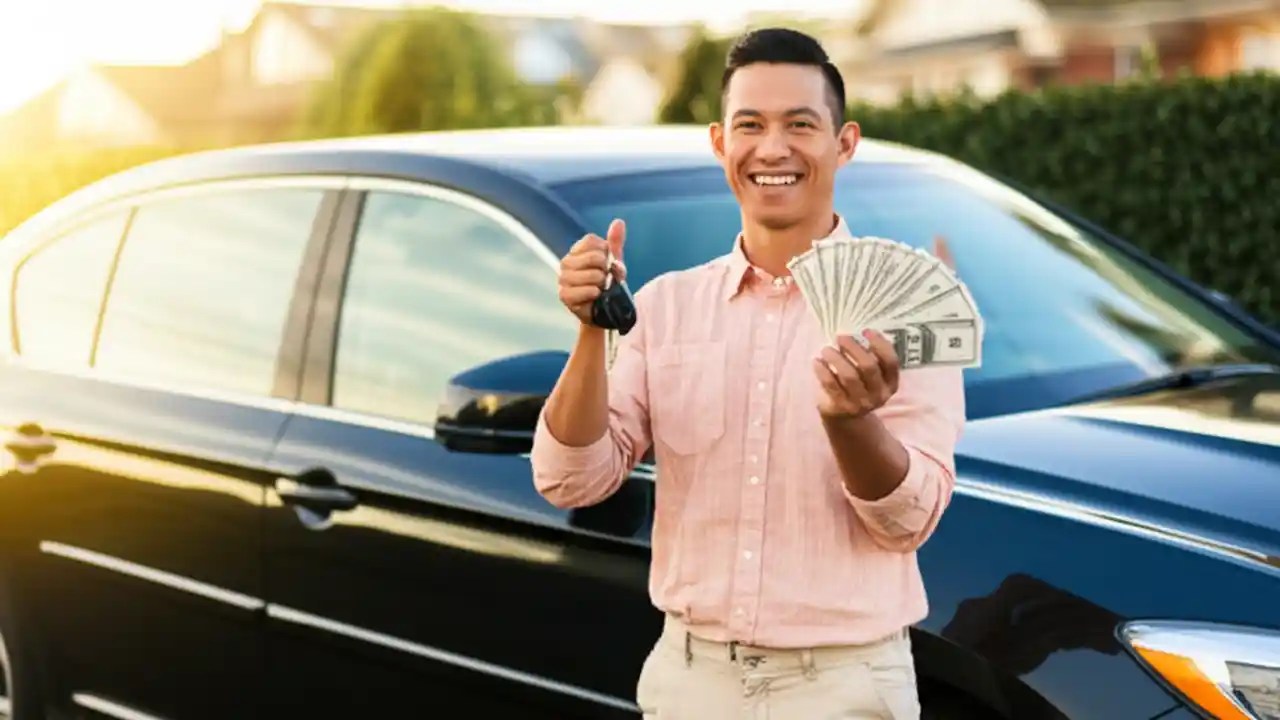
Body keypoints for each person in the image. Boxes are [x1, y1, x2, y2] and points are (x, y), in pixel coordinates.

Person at [530, 27, 966, 720]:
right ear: (718, 143)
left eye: (800, 124)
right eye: (750, 125)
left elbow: (908, 520)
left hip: (846, 686)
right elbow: (572, 479)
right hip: (691, 680)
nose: (773, 149)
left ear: (843, 142)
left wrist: (849, 421)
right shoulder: (665, 308)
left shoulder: (906, 306)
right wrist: (590, 328)